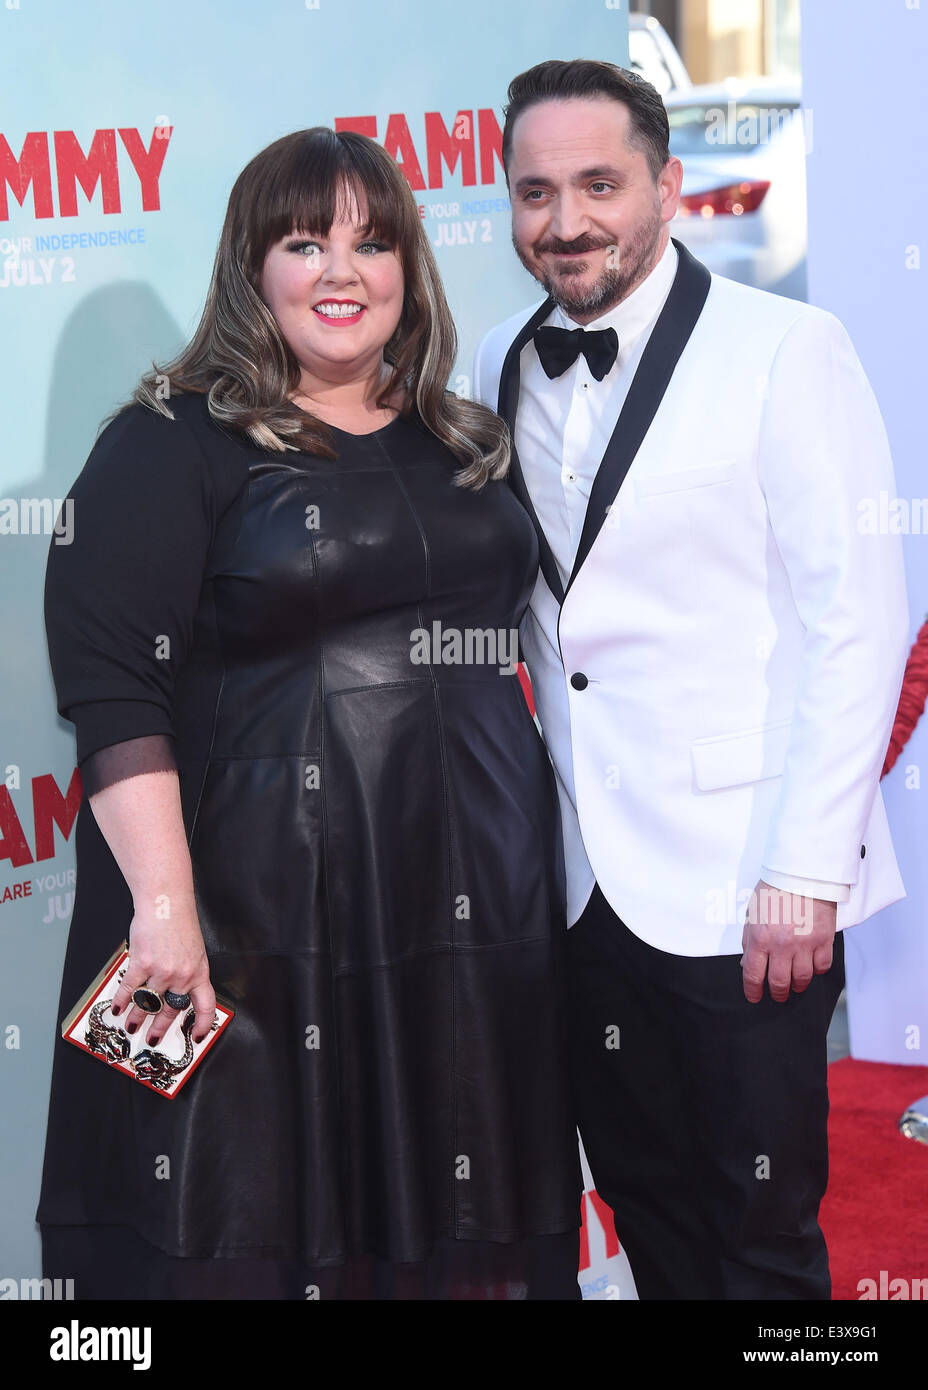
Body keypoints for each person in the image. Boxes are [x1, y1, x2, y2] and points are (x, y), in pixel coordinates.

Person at [37, 126, 582, 1301]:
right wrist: (166, 911)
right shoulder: (168, 440)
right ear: (250, 265)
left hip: (468, 910)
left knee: (460, 1218)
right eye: (304, 241)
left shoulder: (463, 435)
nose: (343, 271)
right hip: (251, 922)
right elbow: (113, 689)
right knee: (240, 1217)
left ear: (408, 269)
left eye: (372, 243)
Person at [473, 60, 909, 1299]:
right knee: (650, 1203)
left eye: (599, 185)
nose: (565, 223)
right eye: (535, 192)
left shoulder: (788, 348)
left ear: (668, 187)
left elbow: (857, 622)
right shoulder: (498, 358)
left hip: (747, 885)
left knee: (763, 1236)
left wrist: (806, 869)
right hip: (583, 886)